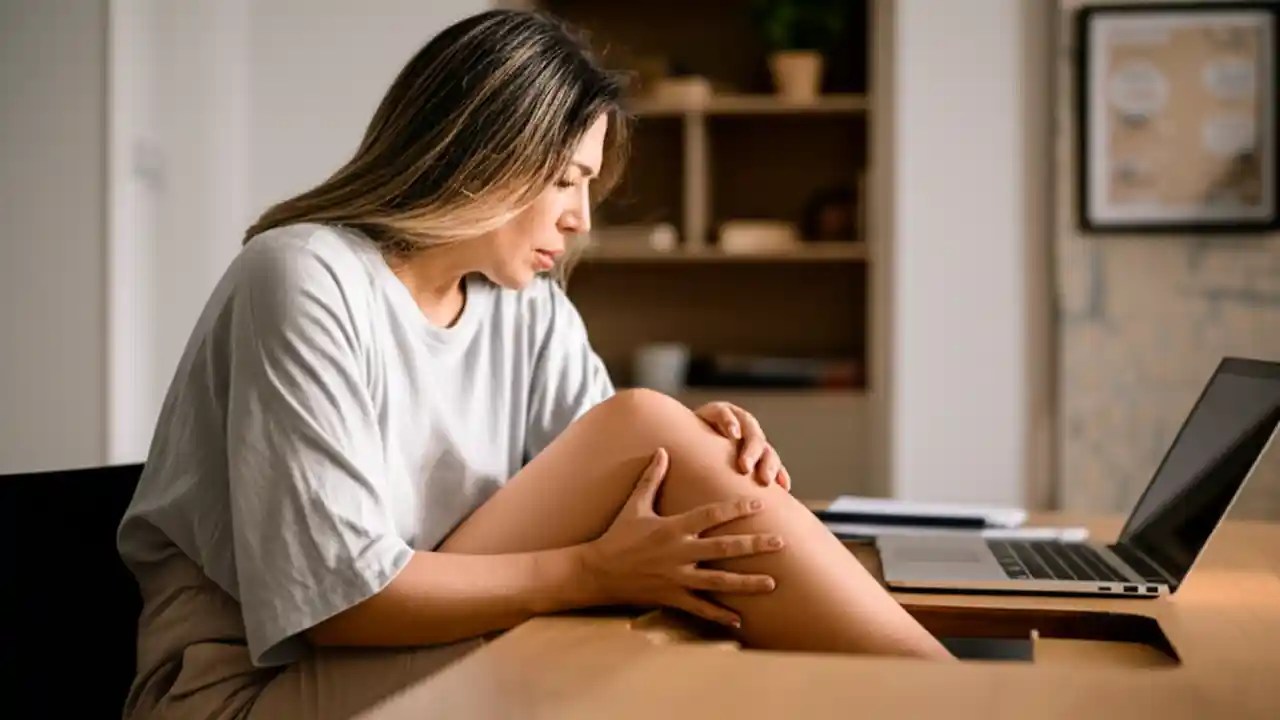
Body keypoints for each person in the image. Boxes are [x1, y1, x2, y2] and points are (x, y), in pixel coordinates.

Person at [116, 9, 953, 720]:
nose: (582, 218)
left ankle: (937, 695)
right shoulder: (303, 276)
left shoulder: (525, 305)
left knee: (671, 516)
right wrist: (592, 568)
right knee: (645, 440)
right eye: (564, 179)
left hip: (413, 642)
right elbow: (343, 602)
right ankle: (948, 698)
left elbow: (632, 496)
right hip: (255, 688)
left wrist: (707, 458)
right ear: (479, 155)